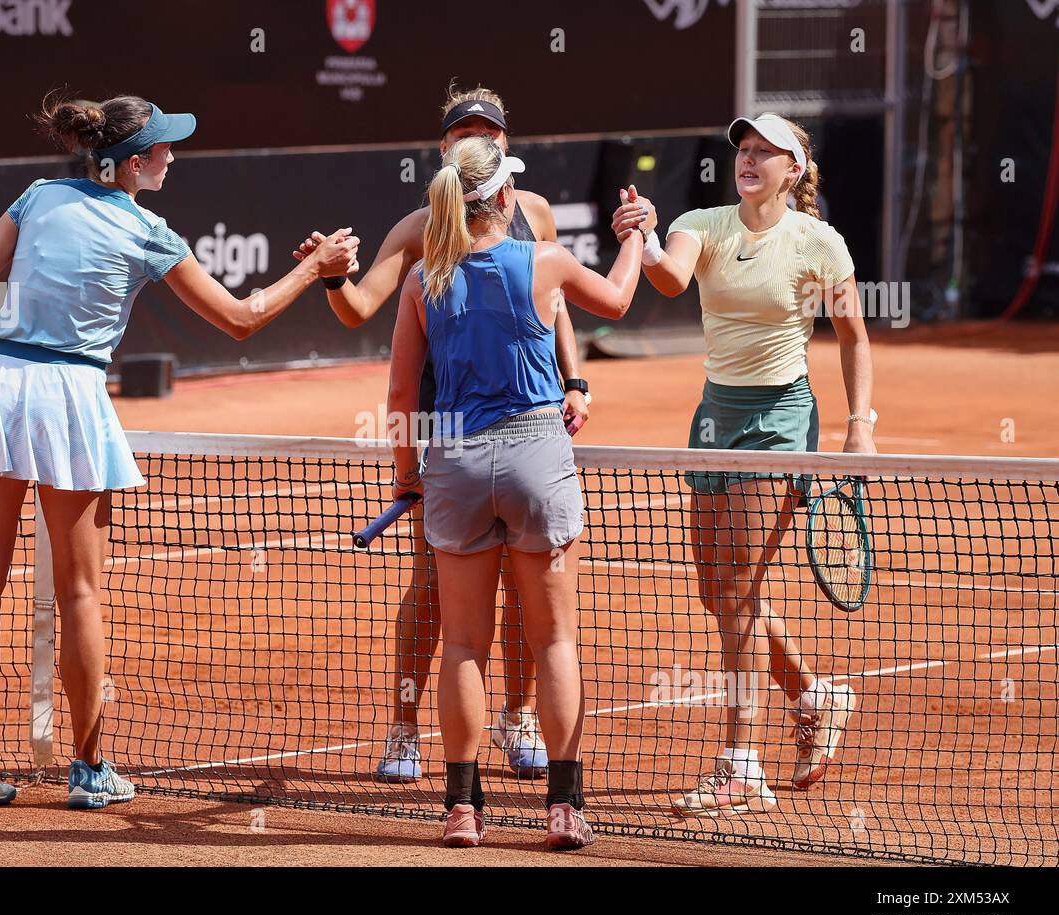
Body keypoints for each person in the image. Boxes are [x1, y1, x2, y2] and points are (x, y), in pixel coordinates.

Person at [0, 93, 358, 810]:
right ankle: (90, 772)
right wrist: (318, 269)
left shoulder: (37, 197)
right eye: (162, 148)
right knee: (81, 594)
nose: (172, 157)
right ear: (131, 162)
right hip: (71, 398)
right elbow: (242, 319)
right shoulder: (148, 231)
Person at [294, 85, 636, 782]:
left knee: (521, 587)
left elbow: (556, 303)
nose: (476, 138)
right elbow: (360, 309)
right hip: (445, 414)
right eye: (462, 130)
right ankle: (403, 725)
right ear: (442, 146)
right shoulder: (418, 228)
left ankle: (515, 720)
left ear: (505, 144)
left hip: (523, 408)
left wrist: (577, 382)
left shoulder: (532, 213)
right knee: (432, 587)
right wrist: (333, 278)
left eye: (488, 130)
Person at [389, 135, 644, 848]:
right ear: (505, 198)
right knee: (554, 637)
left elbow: (403, 393)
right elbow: (619, 301)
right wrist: (636, 237)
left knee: (463, 642)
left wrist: (408, 473)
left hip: (456, 465)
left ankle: (462, 809)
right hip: (537, 458)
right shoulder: (547, 261)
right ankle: (565, 806)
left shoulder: (422, 282)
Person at [617, 113, 873, 816]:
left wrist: (860, 425)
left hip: (781, 419)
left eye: (767, 152)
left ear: (794, 170)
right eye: (744, 150)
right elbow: (669, 280)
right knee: (719, 592)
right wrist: (641, 233)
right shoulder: (704, 223)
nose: (749, 159)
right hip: (714, 417)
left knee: (736, 590)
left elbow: (852, 335)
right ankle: (816, 695)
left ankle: (740, 765)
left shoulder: (819, 243)